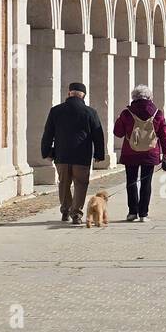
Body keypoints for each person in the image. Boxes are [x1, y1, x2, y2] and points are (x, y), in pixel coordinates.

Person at [41, 81, 105, 225]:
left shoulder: (56, 110)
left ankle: (65, 210)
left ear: (69, 93)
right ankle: (76, 213)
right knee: (80, 184)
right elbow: (98, 134)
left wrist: (47, 151)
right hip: (82, 156)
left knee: (64, 183)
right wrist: (99, 154)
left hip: (61, 155)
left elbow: (48, 134)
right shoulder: (90, 112)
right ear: (84, 96)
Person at [112, 84, 166, 223]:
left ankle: (132, 212)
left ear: (134, 97)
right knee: (146, 182)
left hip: (130, 152)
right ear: (150, 97)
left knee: (131, 181)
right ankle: (143, 214)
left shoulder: (127, 113)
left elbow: (118, 133)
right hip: (150, 153)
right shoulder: (157, 113)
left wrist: (119, 120)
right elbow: (164, 135)